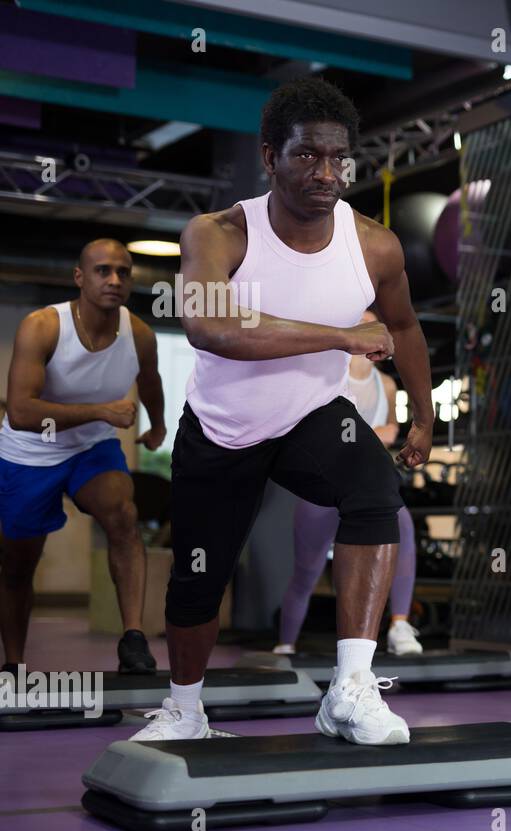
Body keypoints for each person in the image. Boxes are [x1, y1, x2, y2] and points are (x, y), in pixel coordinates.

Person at [129, 76, 435, 744]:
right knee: (196, 581)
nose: (325, 172)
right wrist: (337, 335)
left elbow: (406, 328)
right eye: (306, 156)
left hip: (311, 414)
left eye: (338, 158)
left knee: (375, 491)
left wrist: (421, 416)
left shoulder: (374, 245)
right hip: (222, 427)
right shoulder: (219, 232)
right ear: (270, 157)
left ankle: (352, 689)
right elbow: (215, 330)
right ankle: (184, 710)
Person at [1, 239, 166, 677]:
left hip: (92, 447)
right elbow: (20, 413)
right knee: (18, 565)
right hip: (28, 453)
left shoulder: (140, 334)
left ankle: (133, 638)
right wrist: (100, 411)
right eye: (103, 270)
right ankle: (14, 664)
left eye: (124, 272)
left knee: (123, 515)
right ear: (80, 277)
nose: (114, 280)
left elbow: (150, 381)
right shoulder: (43, 326)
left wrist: (158, 424)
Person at [272, 310, 422, 657]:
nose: (366, 332)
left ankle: (399, 624)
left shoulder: (385, 384)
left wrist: (373, 435)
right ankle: (285, 643)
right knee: (307, 570)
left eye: (372, 326)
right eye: (359, 325)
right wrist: (373, 435)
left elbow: (392, 431)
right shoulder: (327, 376)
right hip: (326, 488)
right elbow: (348, 432)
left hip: (367, 485)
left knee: (404, 529)